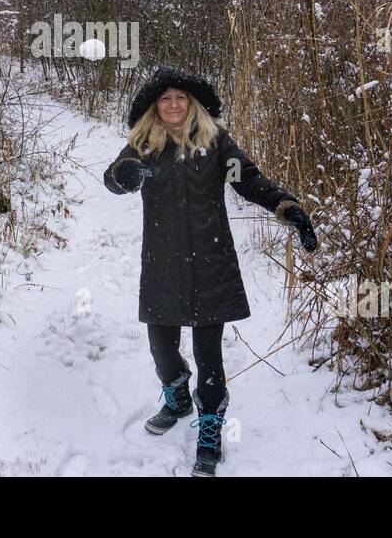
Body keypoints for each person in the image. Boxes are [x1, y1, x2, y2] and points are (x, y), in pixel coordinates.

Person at [103, 64, 318, 476]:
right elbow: (115, 177)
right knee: (162, 350)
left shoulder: (216, 143)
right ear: (155, 106)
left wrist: (286, 207)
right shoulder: (142, 146)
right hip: (162, 264)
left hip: (210, 263)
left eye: (180, 98)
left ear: (193, 103)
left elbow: (249, 180)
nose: (173, 105)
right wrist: (123, 176)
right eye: (165, 99)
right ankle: (177, 395)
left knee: (209, 355)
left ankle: (210, 428)